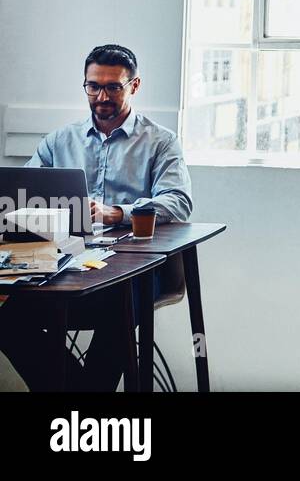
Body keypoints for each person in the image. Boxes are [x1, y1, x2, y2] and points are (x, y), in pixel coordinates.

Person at [0, 43, 193, 391]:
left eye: (113, 87)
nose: (102, 96)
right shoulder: (59, 140)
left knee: (120, 305)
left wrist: (117, 212)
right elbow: (21, 197)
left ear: (134, 86)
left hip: (134, 268)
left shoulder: (161, 142)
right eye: (93, 86)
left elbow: (178, 202)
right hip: (68, 264)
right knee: (5, 312)